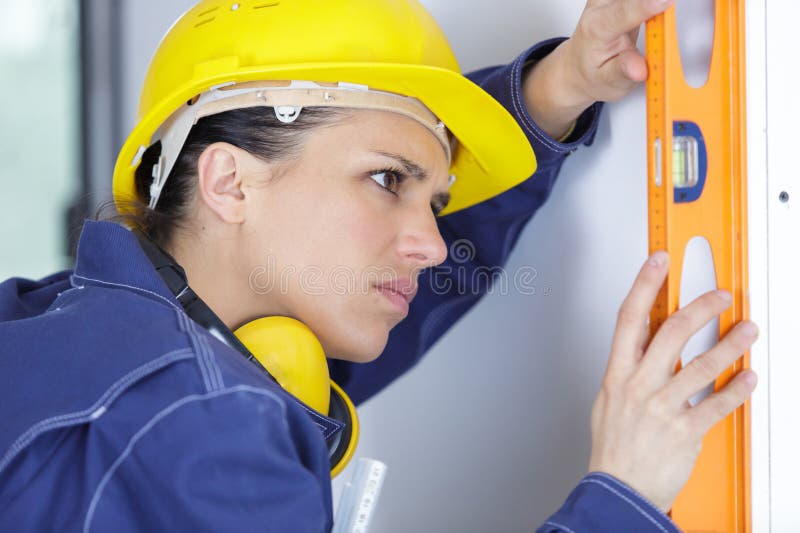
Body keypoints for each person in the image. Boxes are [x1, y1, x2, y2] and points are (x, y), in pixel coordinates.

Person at [0, 0, 758, 531]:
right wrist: (624, 492)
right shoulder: (201, 426)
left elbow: (398, 259)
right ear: (230, 182)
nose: (433, 244)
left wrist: (558, 90)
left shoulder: (67, 331)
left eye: (435, 201)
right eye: (388, 180)